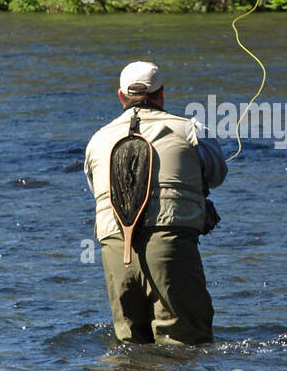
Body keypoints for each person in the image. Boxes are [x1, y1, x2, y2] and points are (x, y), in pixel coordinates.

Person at [84, 61, 227, 345]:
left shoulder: (97, 140)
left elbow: (98, 191)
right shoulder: (190, 130)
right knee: (185, 343)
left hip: (114, 247)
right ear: (161, 94)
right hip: (170, 246)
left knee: (130, 345)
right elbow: (217, 174)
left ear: (121, 96)